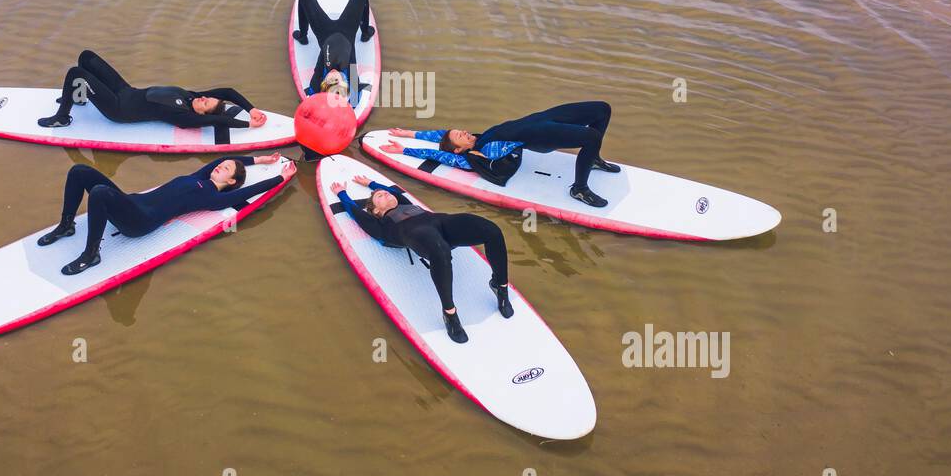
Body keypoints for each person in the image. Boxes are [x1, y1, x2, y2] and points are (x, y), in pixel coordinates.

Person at [331, 174, 512, 344]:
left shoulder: (403, 202)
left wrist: (371, 184)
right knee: (440, 251)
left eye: (384, 192)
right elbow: (355, 212)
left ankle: (500, 286)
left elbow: (393, 191)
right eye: (379, 196)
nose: (384, 193)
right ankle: (450, 314)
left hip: (442, 224)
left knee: (492, 231)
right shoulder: (380, 224)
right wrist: (342, 193)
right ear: (376, 210)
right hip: (417, 235)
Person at [39, 155, 294, 275]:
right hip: (131, 202)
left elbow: (251, 190)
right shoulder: (199, 178)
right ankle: (66, 225)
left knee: (99, 193)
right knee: (80, 170)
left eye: (225, 168)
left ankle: (90, 254)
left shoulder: (214, 198)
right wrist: (259, 159)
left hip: (139, 221)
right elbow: (226, 157)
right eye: (221, 164)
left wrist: (280, 178)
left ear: (232, 180)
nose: (220, 165)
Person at [383, 101, 620, 208]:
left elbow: (440, 135)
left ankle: (593, 159)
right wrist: (404, 150)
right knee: (591, 137)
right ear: (459, 150)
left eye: (460, 131)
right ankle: (579, 188)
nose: (464, 132)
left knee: (601, 110)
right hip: (540, 136)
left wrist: (409, 133)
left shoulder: (477, 136)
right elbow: (438, 155)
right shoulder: (475, 153)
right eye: (460, 136)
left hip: (542, 117)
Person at [36, 49, 268, 130]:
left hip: (118, 109)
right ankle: (78, 97)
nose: (205, 97)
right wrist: (251, 108)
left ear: (202, 115)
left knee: (76, 73)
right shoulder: (192, 97)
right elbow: (227, 91)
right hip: (125, 90)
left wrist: (248, 124)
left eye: (206, 103)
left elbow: (221, 122)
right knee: (86, 58)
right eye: (208, 98)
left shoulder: (186, 118)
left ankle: (62, 118)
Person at [292, 0, 374, 102]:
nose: (333, 74)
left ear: (324, 81)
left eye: (330, 80)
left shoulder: (320, 73)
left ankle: (302, 36)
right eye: (337, 80)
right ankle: (365, 33)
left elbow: (312, 95)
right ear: (345, 82)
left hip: (324, 31)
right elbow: (355, 101)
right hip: (348, 28)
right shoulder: (351, 72)